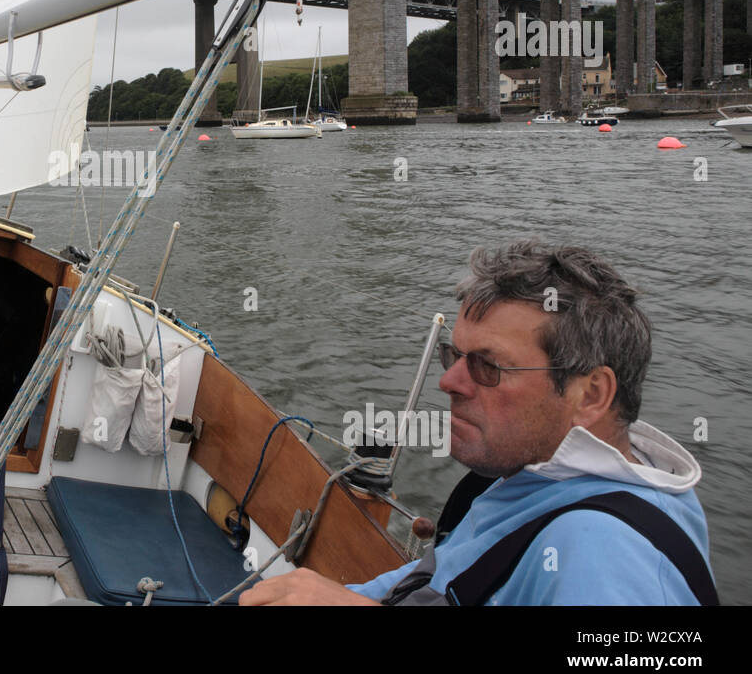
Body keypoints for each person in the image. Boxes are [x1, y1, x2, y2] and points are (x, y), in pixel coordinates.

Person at [241, 239, 716, 606]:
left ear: (590, 394)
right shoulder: (540, 478)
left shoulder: (602, 551)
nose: (448, 381)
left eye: (488, 366)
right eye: (454, 354)